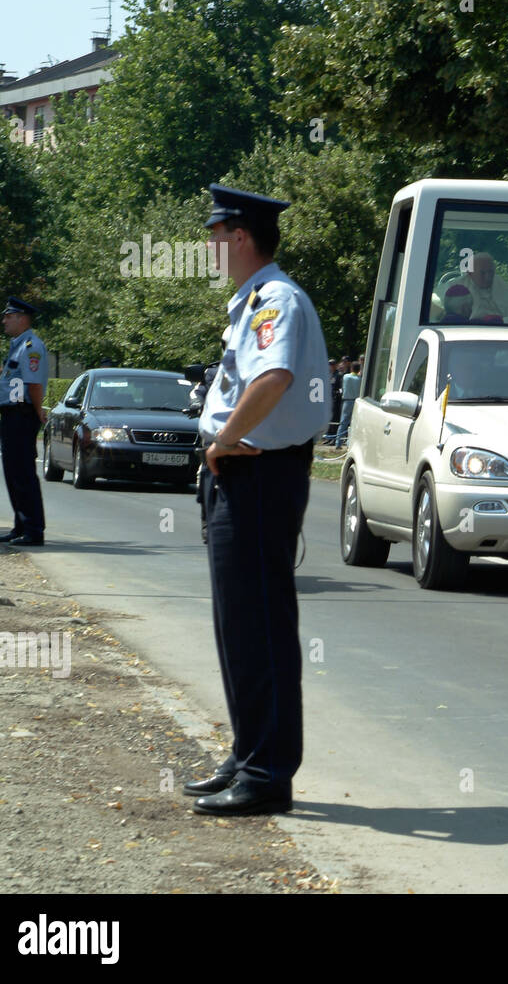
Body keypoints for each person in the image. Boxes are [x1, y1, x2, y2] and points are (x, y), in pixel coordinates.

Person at [186, 185, 330, 817]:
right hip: (241, 473)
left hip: (260, 475)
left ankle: (268, 774)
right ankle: (248, 754)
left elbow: (273, 378)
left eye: (214, 236)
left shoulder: (276, 300)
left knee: (261, 625)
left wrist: (224, 440)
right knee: (237, 624)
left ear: (240, 237)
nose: (208, 247)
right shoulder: (253, 300)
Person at [0, 298, 48, 546]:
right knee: (13, 474)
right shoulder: (17, 346)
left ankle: (34, 530)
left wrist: (37, 411)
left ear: (22, 318)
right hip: (12, 415)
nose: (4, 321)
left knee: (23, 474)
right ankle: (20, 526)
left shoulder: (31, 346)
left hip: (21, 415)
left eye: (8, 316)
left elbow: (34, 384)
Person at [460, 251, 508, 324]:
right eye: (482, 273)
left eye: (490, 272)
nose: (488, 277)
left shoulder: (499, 283)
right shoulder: (459, 287)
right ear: (470, 273)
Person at [335, 361, 361, 447]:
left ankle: (338, 443)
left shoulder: (346, 377)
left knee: (343, 422)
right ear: (359, 369)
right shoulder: (360, 379)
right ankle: (349, 443)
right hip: (357, 402)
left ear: (351, 368)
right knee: (354, 423)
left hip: (347, 401)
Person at [326, 358, 343, 442]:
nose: (331, 366)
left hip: (335, 400)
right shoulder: (329, 374)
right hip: (328, 399)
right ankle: (328, 437)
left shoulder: (338, 375)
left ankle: (333, 438)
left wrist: (338, 394)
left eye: (332, 364)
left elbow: (341, 388)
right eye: (330, 364)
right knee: (328, 418)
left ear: (335, 365)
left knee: (334, 418)